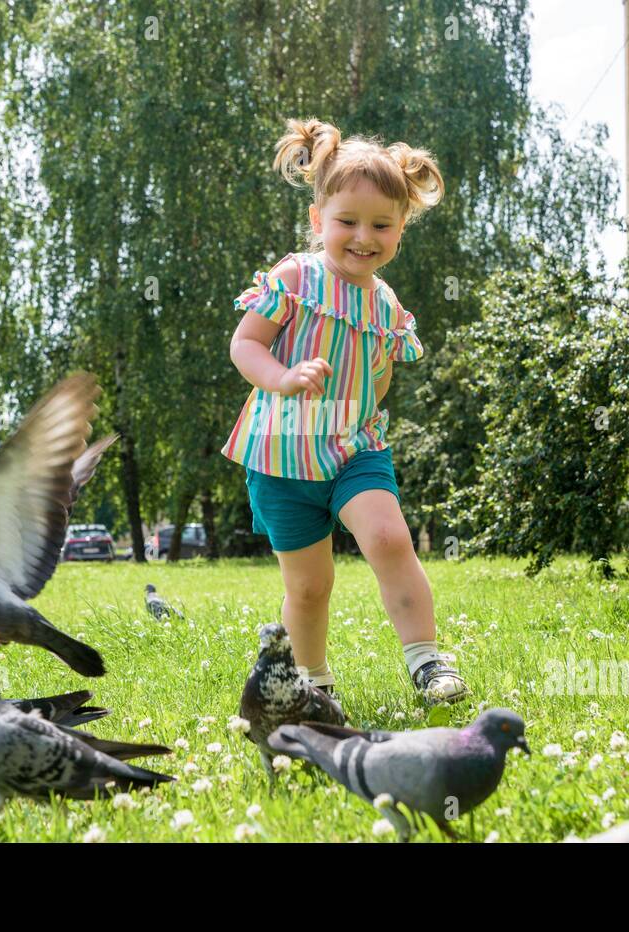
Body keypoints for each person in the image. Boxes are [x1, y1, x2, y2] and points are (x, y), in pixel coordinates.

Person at [222, 118, 467, 705]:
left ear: (401, 229)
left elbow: (377, 377)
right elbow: (245, 345)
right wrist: (283, 377)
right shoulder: (294, 278)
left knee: (388, 537)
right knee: (309, 586)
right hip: (282, 456)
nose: (364, 236)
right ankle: (311, 683)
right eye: (347, 222)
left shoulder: (386, 303)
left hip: (355, 450)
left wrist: (360, 413)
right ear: (318, 221)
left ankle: (427, 661)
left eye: (382, 224)